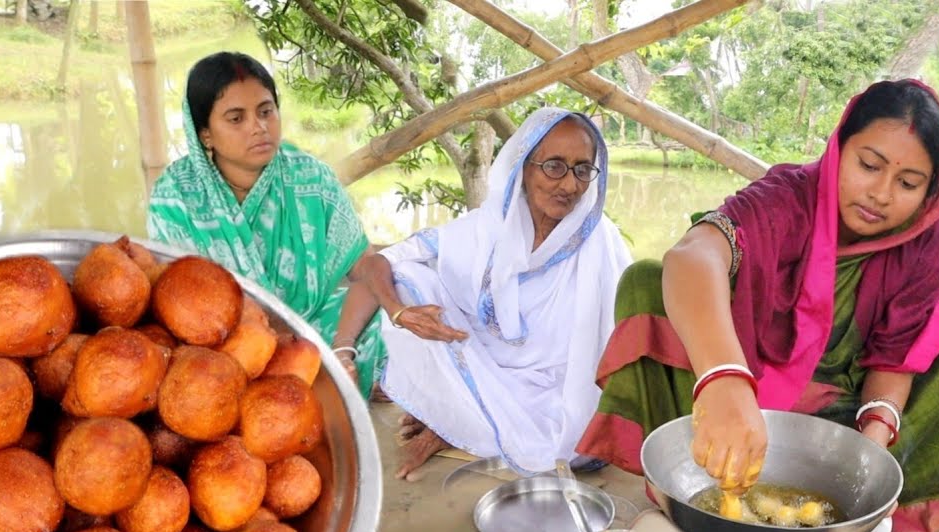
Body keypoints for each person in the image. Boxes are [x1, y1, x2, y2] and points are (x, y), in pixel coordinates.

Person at [578, 79, 939, 532]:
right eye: (868, 165)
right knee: (646, 281)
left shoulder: (922, 241)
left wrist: (869, 453)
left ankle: (878, 513)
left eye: (907, 183)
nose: (881, 193)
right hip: (745, 384)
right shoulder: (789, 197)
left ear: (930, 191)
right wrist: (722, 378)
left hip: (844, 406)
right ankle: (704, 459)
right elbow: (694, 255)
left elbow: (895, 355)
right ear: (841, 149)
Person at [355, 107, 634, 479]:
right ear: (523, 166)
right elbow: (378, 263)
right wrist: (398, 311)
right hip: (484, 367)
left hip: (558, 391)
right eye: (554, 166)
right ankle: (459, 414)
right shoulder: (485, 227)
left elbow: (614, 348)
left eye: (583, 170)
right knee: (408, 278)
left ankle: (455, 422)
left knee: (573, 441)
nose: (569, 185)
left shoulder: (601, 241)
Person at [147, 51, 384, 398]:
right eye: (236, 118)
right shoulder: (176, 196)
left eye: (265, 111)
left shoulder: (309, 177)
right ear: (206, 135)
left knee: (390, 305)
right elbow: (174, 300)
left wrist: (344, 346)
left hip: (312, 332)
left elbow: (364, 265)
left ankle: (343, 370)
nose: (258, 127)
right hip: (223, 348)